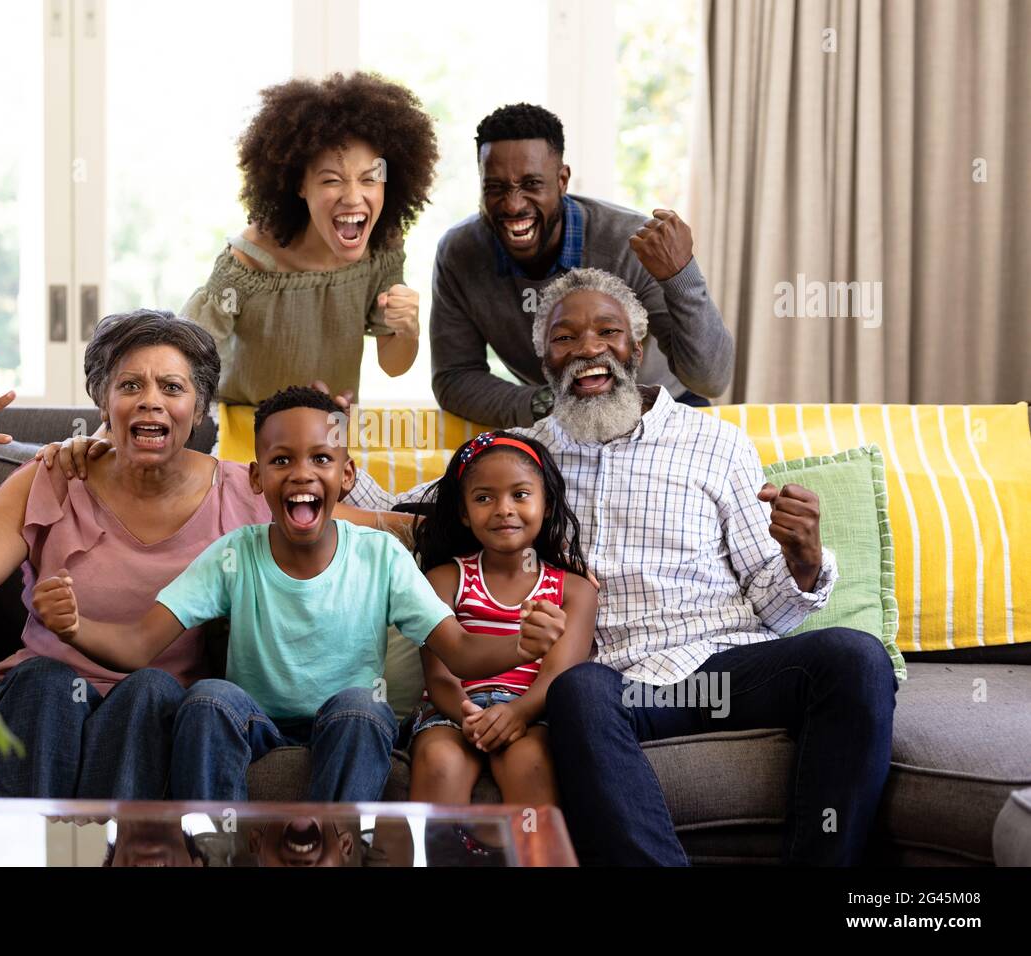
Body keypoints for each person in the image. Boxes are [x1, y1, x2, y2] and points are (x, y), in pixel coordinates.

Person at [347, 267, 897, 865]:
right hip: (613, 686)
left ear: (637, 349)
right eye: (564, 337)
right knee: (578, 689)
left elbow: (776, 606)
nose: (587, 348)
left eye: (607, 331)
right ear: (543, 362)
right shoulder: (522, 458)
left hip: (722, 661)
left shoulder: (717, 444)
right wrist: (331, 471)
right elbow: (420, 510)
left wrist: (805, 560)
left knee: (856, 657)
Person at [0, 309, 391, 800]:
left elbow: (377, 526)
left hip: (156, 708)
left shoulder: (245, 491)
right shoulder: (53, 476)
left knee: (152, 688)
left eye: (173, 389)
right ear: (103, 402)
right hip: (40, 702)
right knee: (47, 681)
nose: (150, 402)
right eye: (131, 386)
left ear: (199, 410)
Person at [31, 386, 567, 803]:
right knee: (208, 697)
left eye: (322, 459)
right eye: (282, 461)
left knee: (363, 707)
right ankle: (215, 848)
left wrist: (522, 646)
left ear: (348, 474)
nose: (302, 473)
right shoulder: (235, 554)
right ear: (257, 478)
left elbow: (462, 651)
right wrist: (76, 629)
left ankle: (334, 850)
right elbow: (138, 645)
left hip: (349, 718)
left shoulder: (380, 556)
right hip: (255, 720)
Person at [430, 102, 734, 428]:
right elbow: (455, 376)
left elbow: (710, 379)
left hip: (661, 412)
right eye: (495, 188)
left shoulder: (628, 244)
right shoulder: (459, 253)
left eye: (532, 184)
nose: (513, 204)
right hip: (558, 417)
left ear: (562, 180)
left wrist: (681, 275)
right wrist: (549, 403)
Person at [180, 72, 439, 436]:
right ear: (300, 185)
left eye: (369, 179)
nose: (352, 196)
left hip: (329, 440)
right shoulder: (250, 260)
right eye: (332, 180)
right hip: (246, 438)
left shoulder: (382, 250)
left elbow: (393, 364)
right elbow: (181, 357)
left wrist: (408, 330)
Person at [407, 430, 598, 808]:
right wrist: (471, 719)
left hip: (531, 711)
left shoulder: (574, 591)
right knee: (439, 762)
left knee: (531, 765)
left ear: (546, 505)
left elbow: (558, 677)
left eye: (521, 494)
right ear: (463, 512)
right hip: (452, 711)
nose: (503, 509)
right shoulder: (444, 579)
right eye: (483, 498)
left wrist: (514, 713)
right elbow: (440, 675)